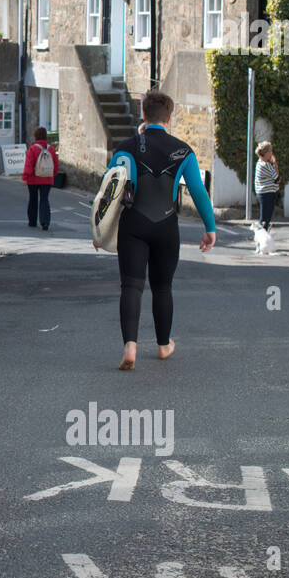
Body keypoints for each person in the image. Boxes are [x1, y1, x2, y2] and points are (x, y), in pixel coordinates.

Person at [97, 90, 216, 371]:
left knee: (131, 286)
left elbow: (107, 191)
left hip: (132, 225)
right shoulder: (183, 150)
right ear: (170, 117)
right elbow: (197, 191)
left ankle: (130, 347)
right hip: (166, 226)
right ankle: (163, 346)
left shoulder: (125, 147)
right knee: (162, 287)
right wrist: (210, 227)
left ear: (142, 114)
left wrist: (99, 231)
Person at [22, 126, 59, 230]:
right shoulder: (51, 149)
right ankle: (45, 222)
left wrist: (25, 177)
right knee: (44, 199)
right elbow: (55, 165)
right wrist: (52, 175)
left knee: (33, 199)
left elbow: (28, 165)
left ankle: (32, 222)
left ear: (35, 136)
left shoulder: (33, 148)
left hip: (33, 179)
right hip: (47, 178)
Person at [254, 141, 279, 232]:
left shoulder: (260, 163)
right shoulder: (265, 164)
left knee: (265, 217)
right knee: (265, 218)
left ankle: (263, 234)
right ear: (267, 153)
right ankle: (262, 235)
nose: (272, 153)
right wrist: (275, 163)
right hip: (267, 194)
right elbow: (277, 177)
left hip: (263, 193)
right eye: (271, 151)